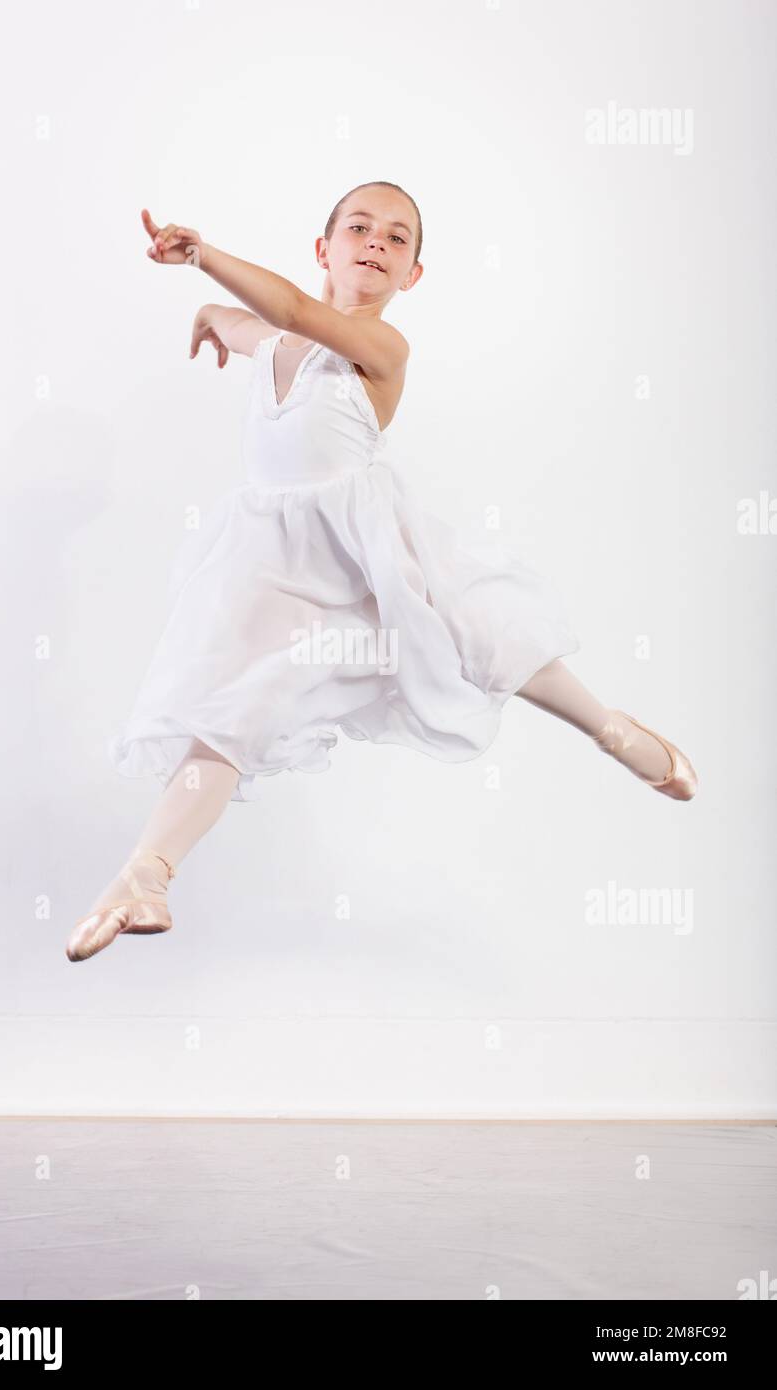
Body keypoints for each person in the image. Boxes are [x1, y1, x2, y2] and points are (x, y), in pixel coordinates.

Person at [66, 182, 697, 964]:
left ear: (413, 276)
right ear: (322, 248)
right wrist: (210, 319)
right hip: (279, 571)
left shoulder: (381, 350)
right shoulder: (270, 343)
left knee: (481, 625)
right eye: (358, 227)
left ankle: (613, 728)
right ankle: (145, 875)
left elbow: (297, 312)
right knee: (232, 708)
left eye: (397, 239)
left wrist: (203, 259)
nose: (375, 242)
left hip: (369, 549)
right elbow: (258, 327)